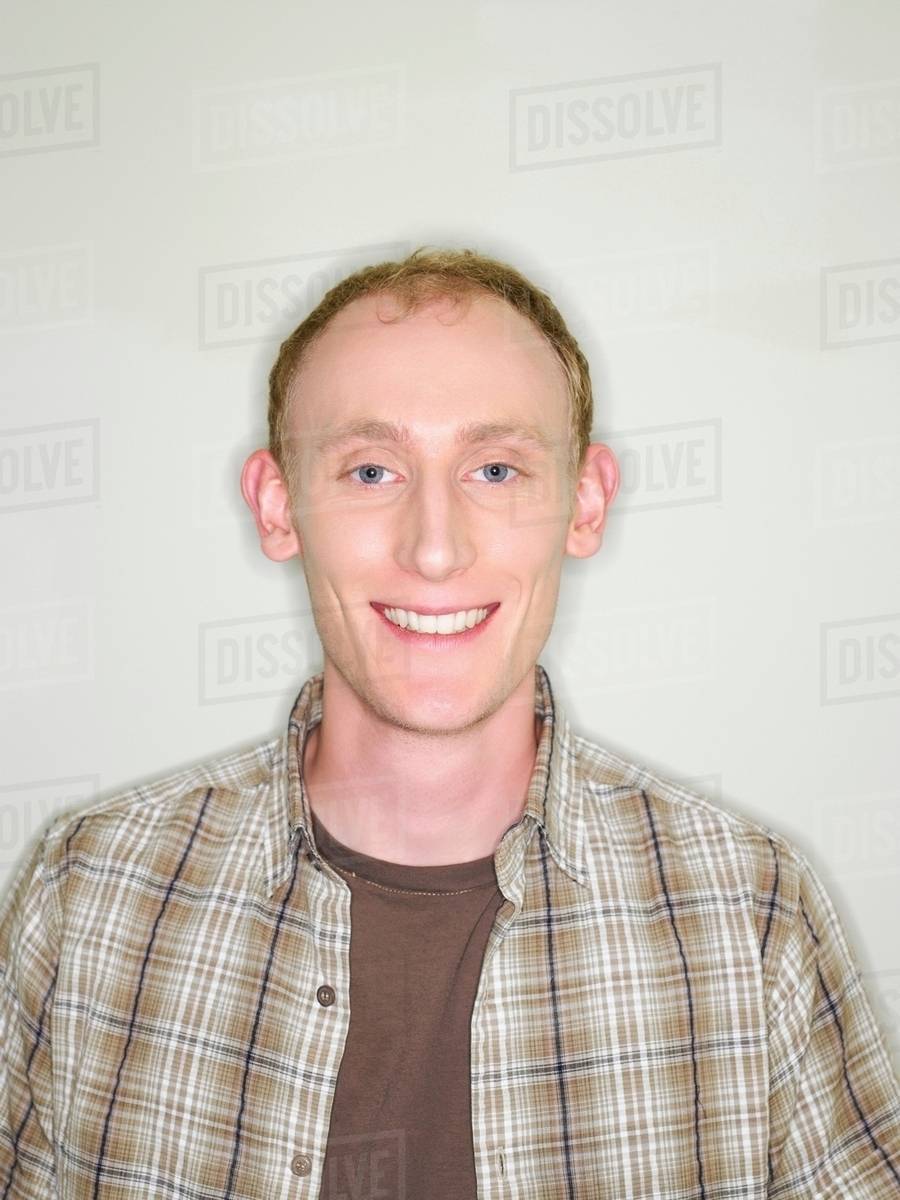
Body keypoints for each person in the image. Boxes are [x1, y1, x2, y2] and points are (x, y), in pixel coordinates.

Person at [1, 247, 898, 1200]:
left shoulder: (753, 913)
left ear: (585, 501)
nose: (434, 549)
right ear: (277, 505)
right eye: (372, 470)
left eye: (497, 469)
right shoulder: (88, 892)